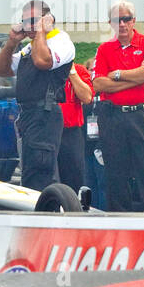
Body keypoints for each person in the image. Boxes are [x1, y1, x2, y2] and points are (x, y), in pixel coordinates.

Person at [90, 1, 144, 211]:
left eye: (126, 19)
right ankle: (119, 223)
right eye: (116, 20)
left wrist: (119, 75)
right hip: (112, 117)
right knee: (115, 175)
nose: (122, 24)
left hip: (140, 115)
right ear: (110, 23)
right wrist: (136, 78)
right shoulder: (104, 49)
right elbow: (98, 84)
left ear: (134, 21)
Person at [0, 1, 75, 192]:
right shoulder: (30, 46)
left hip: (45, 115)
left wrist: (41, 31)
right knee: (29, 173)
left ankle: (46, 216)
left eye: (33, 20)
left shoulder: (60, 41)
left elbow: (43, 61)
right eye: (24, 21)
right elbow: (2, 69)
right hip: (28, 115)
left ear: (48, 19)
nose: (28, 26)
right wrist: (12, 42)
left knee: (41, 173)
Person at [58, 62, 94, 192]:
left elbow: (87, 97)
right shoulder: (43, 68)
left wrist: (72, 73)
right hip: (46, 132)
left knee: (74, 180)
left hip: (70, 133)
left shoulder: (79, 70)